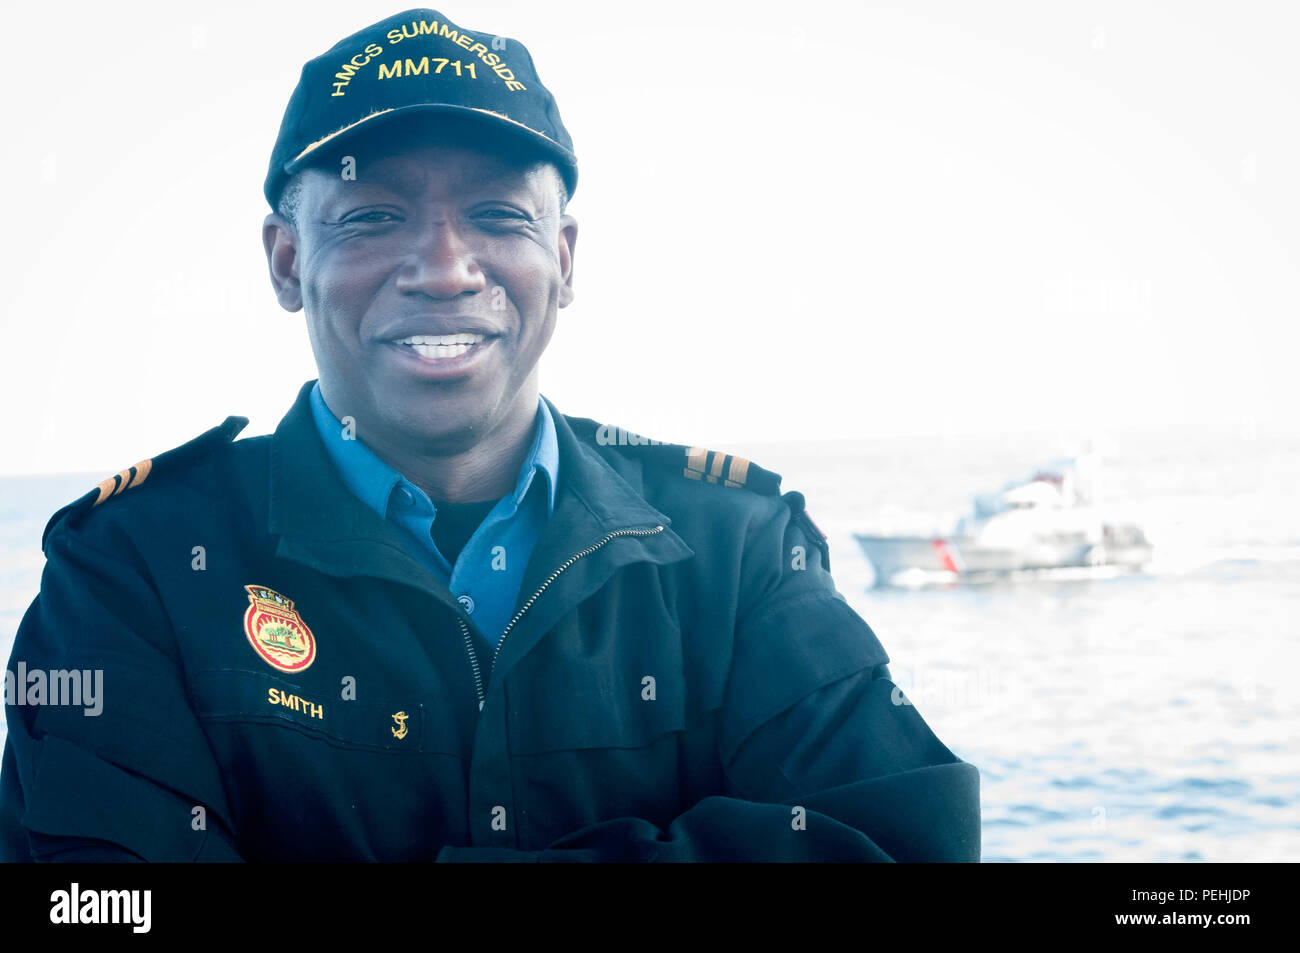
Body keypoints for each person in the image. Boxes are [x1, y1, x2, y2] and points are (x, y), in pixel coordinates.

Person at [0, 8, 980, 862]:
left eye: (496, 214)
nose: (441, 266)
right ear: (288, 260)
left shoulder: (735, 545)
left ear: (561, 258)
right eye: (374, 215)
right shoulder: (133, 565)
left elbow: (900, 840)